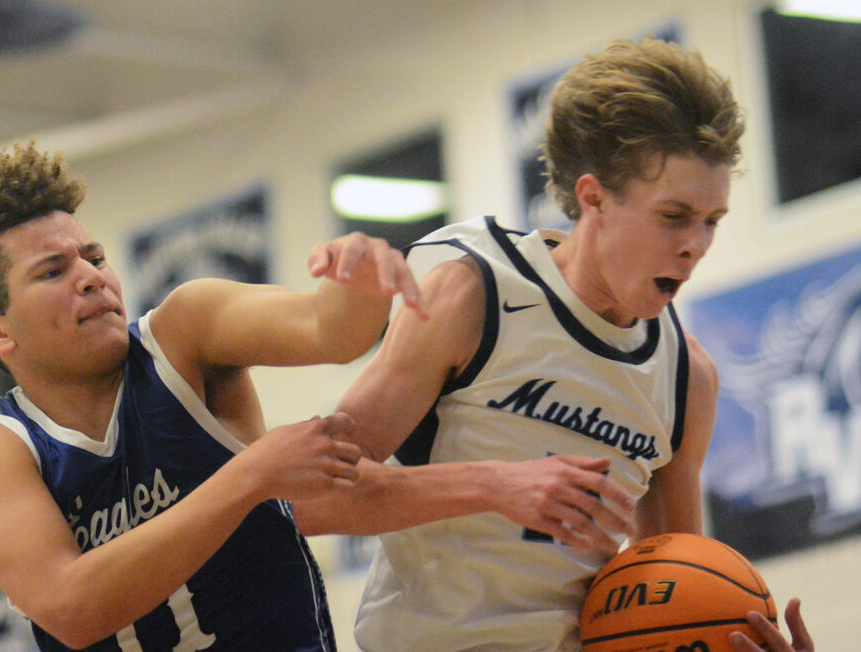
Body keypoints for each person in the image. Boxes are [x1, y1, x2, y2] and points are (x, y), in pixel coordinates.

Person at [295, 37, 753, 651]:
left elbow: (678, 596)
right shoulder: (473, 295)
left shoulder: (686, 375)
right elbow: (307, 501)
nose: (696, 244)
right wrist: (494, 484)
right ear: (593, 198)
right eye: (674, 216)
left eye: (712, 221)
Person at [0, 141, 429, 651]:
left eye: (94, 257)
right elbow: (73, 609)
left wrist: (358, 281)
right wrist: (251, 476)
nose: (90, 277)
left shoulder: (186, 331)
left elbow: (330, 331)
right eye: (53, 271)